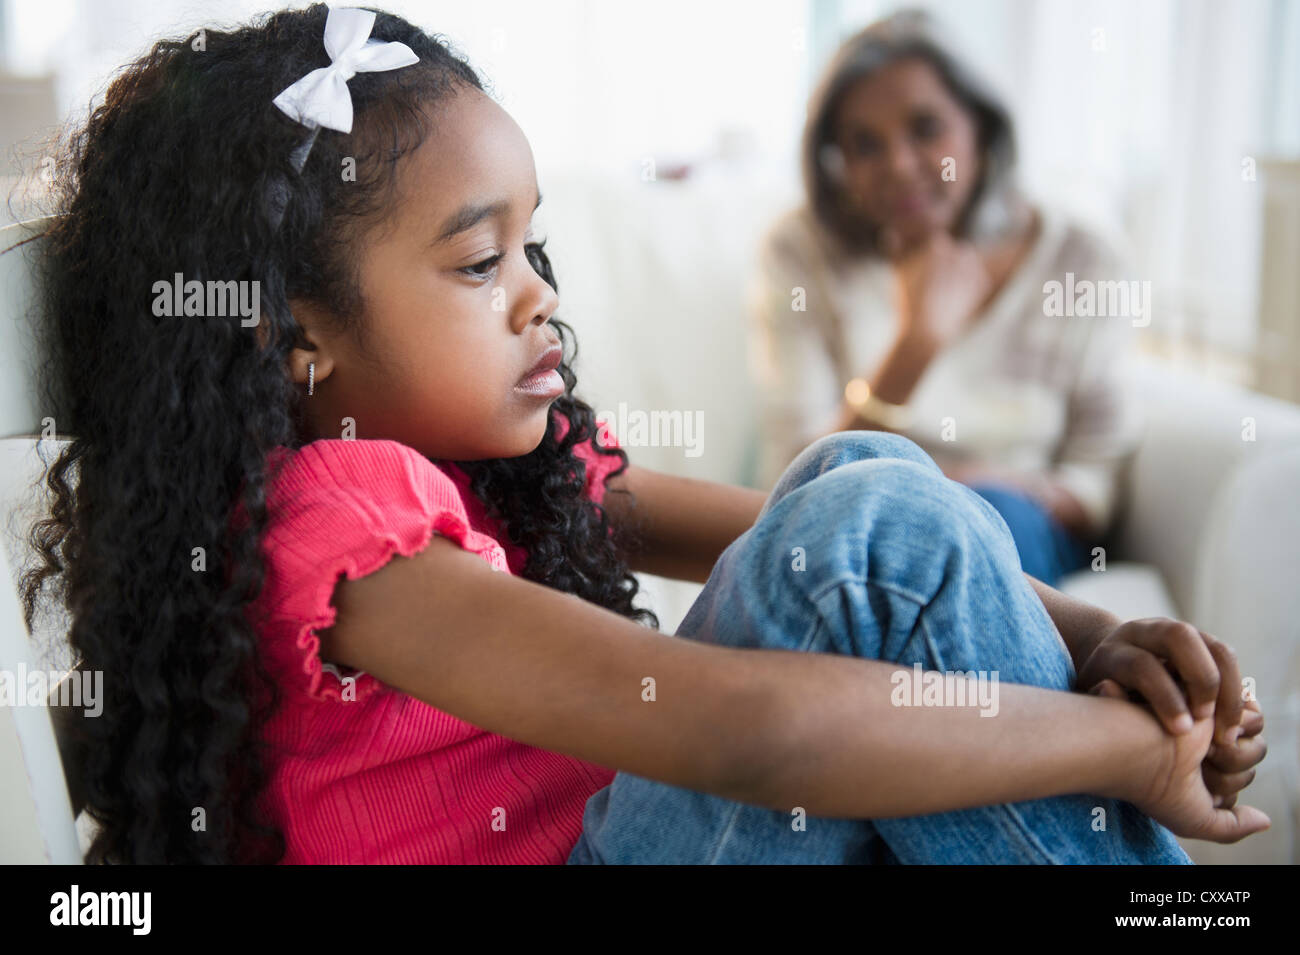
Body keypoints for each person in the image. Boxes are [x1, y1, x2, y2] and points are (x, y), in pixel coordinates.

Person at [22, 4, 1266, 865]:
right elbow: (740, 727)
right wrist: (1123, 746)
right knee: (863, 515)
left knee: (860, 470)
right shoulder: (335, 518)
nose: (539, 295)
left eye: (532, 245)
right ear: (298, 343)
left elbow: (810, 520)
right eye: (476, 262)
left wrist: (1105, 632)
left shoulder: (493, 464)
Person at [750, 9, 1141, 586]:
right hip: (857, 517)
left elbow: (1096, 478)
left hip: (1018, 522)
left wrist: (975, 487)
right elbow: (800, 478)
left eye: (926, 129)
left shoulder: (1082, 258)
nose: (900, 166)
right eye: (864, 144)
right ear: (837, 161)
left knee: (972, 530)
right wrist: (916, 343)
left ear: (979, 132)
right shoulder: (798, 251)